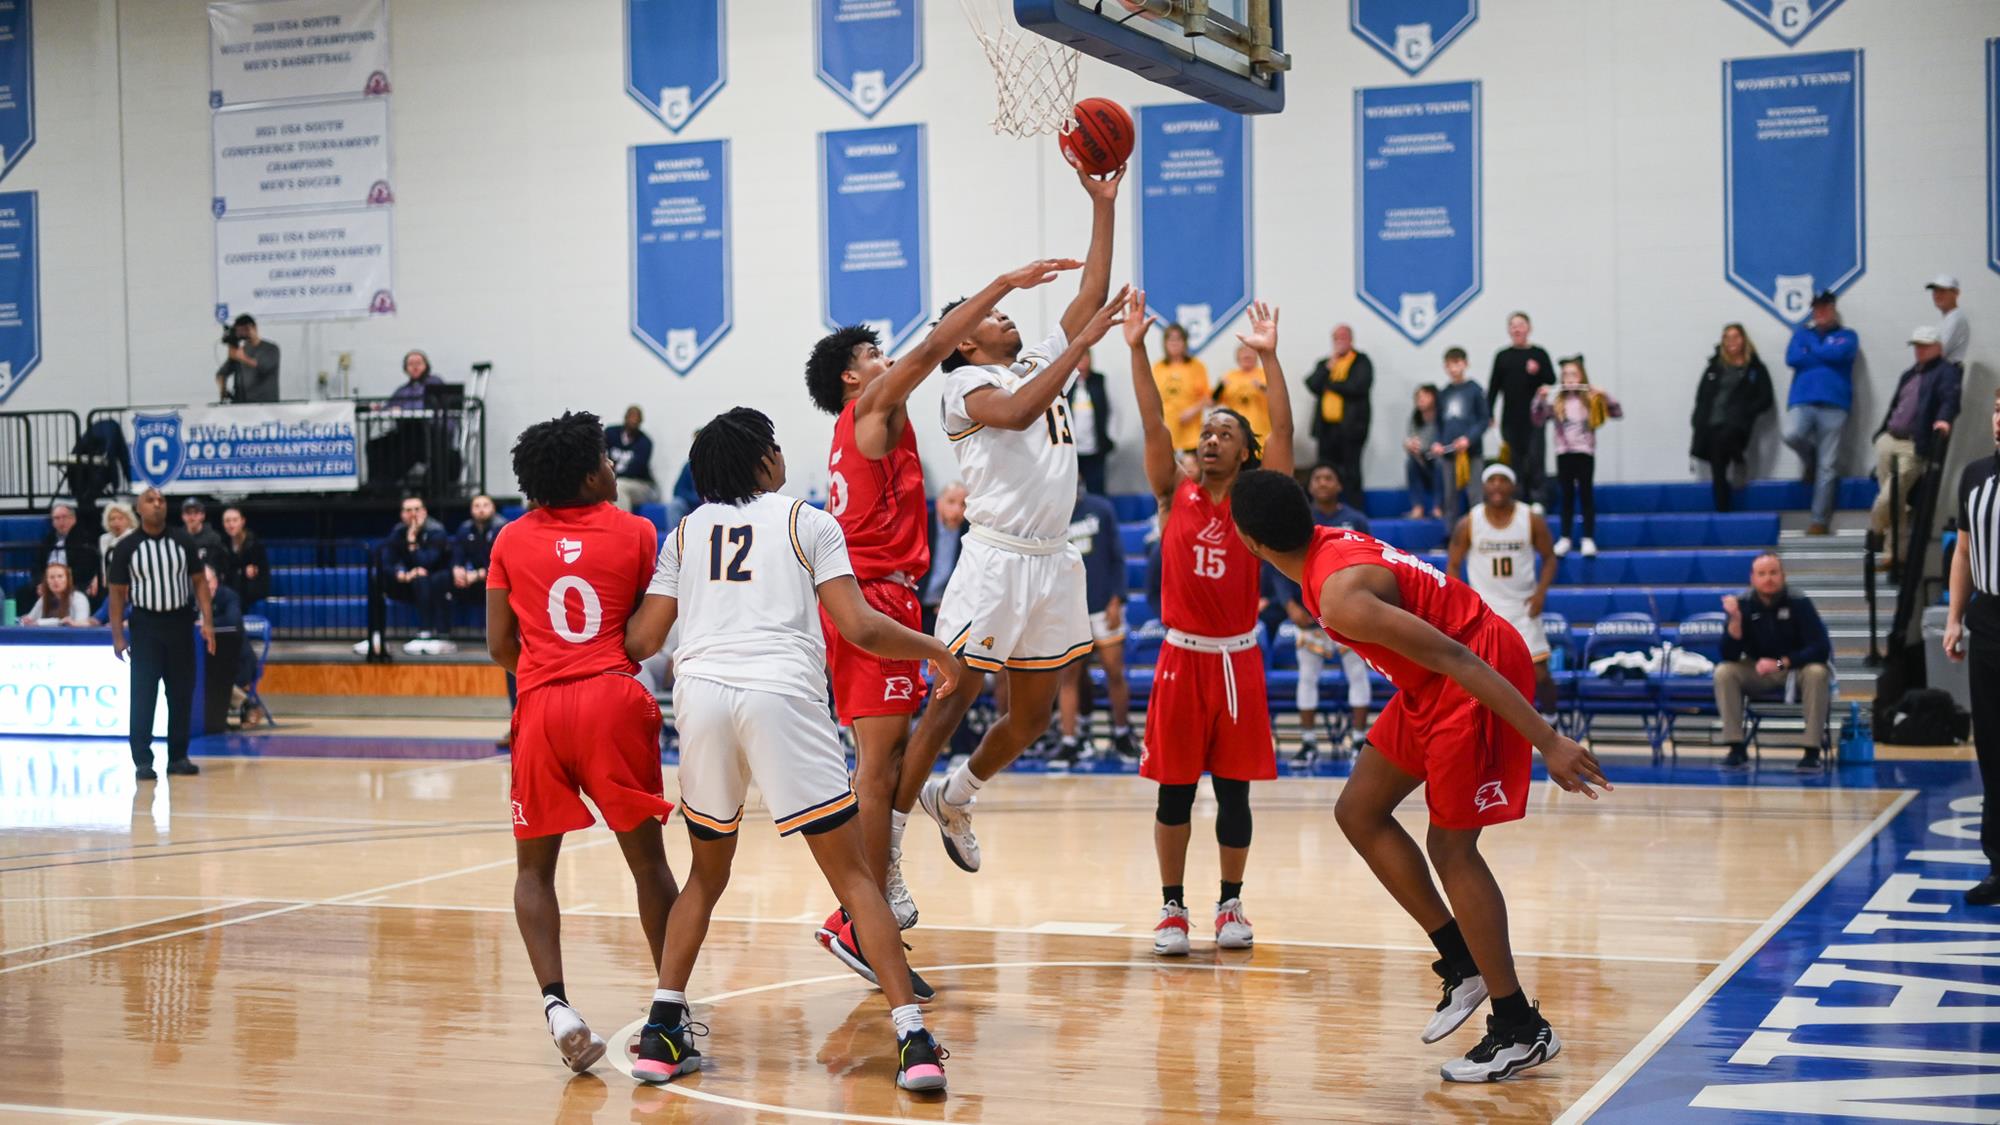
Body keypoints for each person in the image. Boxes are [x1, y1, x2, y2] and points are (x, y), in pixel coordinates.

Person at [1228, 467, 1608, 1082]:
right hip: (1431, 681)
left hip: (1472, 668)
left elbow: (1455, 655)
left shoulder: (1341, 593)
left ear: (1249, 543)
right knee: (1358, 811)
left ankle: (1519, 1027)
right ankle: (1462, 963)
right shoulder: (1325, 541)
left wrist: (1548, 740)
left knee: (1451, 848)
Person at [621, 407, 957, 1093]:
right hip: (779, 692)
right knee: (855, 878)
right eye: (774, 448)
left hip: (701, 697)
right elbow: (860, 626)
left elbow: (642, 641)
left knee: (705, 877)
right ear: (764, 461)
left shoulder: (683, 533)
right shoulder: (808, 521)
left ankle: (660, 1030)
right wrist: (935, 649)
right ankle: (913, 1040)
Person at [803, 258, 1080, 970]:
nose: (888, 357)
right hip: (869, 593)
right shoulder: (873, 406)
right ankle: (862, 912)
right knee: (877, 767)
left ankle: (871, 900)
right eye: (874, 353)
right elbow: (933, 347)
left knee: (890, 758)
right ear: (853, 377)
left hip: (888, 591)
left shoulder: (878, 420)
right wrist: (1005, 284)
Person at [897, 164, 1126, 880]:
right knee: (950, 703)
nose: (1006, 318)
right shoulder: (964, 385)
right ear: (964, 342)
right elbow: (1022, 410)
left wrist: (1103, 204)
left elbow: (1091, 294)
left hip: (1054, 559)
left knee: (1031, 716)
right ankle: (886, 851)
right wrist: (1080, 346)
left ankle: (954, 796)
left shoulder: (1034, 360)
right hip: (996, 559)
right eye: (991, 317)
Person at [482, 411, 681, 1076]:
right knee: (648, 866)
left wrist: (548, 669)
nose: (613, 465)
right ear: (590, 475)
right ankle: (670, 1014)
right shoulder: (637, 530)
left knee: (533, 872)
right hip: (611, 700)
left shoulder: (509, 538)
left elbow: (499, 645)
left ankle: (558, 1008)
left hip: (540, 706)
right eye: (604, 458)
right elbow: (647, 632)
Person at [1125, 291, 1293, 957]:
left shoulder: (1257, 505)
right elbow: (1151, 420)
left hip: (1236, 660)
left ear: (1246, 451)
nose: (1210, 439)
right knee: (1173, 792)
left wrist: (1270, 359)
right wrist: (1136, 347)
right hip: (1181, 658)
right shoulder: (1174, 492)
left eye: (1225, 433)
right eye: (1206, 433)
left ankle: (1230, 902)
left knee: (1233, 792)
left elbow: (1285, 437)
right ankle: (1172, 908)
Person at [106, 487, 217, 781]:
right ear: (139, 509)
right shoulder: (127, 547)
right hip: (146, 625)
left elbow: (199, 582)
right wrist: (118, 635)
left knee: (180, 693)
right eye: (151, 501)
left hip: (180, 622)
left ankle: (178, 757)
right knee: (143, 694)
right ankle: (143, 760)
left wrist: (207, 621)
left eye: (161, 501)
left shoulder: (183, 541)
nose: (157, 505)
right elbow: (116, 593)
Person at [1272, 464, 1372, 763]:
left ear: (1339, 485)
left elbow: (1373, 561)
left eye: (1329, 478)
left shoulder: (1356, 520)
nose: (1323, 482)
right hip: (1309, 611)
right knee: (1307, 676)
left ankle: (1358, 740)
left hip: (1349, 611)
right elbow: (1278, 563)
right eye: (1318, 478)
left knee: (1358, 674)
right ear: (1310, 486)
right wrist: (1289, 605)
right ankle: (1308, 743)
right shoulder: (1298, 519)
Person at [1942, 388, 2000, 906]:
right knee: (1992, 746)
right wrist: (1954, 618)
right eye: (1998, 409)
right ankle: (1998, 865)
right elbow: (1963, 550)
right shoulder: (1975, 475)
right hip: (1988, 619)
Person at [1447, 465, 1559, 712]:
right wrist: (1462, 602)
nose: (1497, 485)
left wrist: (1540, 593)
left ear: (1513, 486)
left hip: (1523, 607)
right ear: (1484, 486)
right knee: (1481, 678)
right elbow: (1453, 564)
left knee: (1540, 674)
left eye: (1503, 480)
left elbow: (1550, 558)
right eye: (1492, 480)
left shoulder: (1530, 518)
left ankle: (1551, 720)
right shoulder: (1469, 522)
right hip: (1485, 611)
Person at [1715, 553, 1834, 770]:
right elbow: (1728, 655)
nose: (1768, 578)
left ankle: (1812, 751)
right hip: (1758, 669)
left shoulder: (1799, 602)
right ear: (1752, 578)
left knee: (1818, 672)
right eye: (1762, 574)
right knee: (1724, 671)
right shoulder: (1742, 604)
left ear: (1783, 576)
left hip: (1795, 669)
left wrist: (1781, 663)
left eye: (1773, 573)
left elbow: (1820, 648)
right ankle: (1736, 747)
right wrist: (1735, 621)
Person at [1869, 326, 1964, 573]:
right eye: (1917, 345)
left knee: (1889, 498)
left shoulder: (1946, 372)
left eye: (1924, 345)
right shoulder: (1910, 373)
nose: (1919, 350)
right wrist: (1881, 434)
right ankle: (1893, 554)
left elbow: (1950, 400)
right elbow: (1896, 406)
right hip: (1889, 439)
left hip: (1913, 444)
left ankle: (1876, 529)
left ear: (1938, 347)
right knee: (1896, 501)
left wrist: (1944, 420)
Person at [1057, 479, 1133, 764]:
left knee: (1114, 671)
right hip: (1069, 608)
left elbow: (1117, 556)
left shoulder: (1101, 509)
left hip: (1102, 603)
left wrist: (1117, 598)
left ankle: (1122, 734)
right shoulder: (1051, 513)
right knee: (1069, 676)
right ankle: (1069, 741)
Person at [1783, 291, 1860, 535]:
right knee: (1791, 435)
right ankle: (1810, 459)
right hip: (1802, 400)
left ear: (1833, 309)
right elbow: (1792, 358)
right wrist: (1823, 350)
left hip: (1835, 404)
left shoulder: (1848, 335)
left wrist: (1812, 350)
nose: (1821, 312)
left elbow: (1839, 354)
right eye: (1817, 308)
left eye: (1825, 307)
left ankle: (1819, 520)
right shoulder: (1801, 334)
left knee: (1828, 466)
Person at [1532, 356, 1622, 557]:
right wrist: (1540, 398)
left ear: (1581, 376)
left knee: (1586, 495)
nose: (1570, 379)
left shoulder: (1590, 400)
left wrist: (1605, 395)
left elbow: (1617, 412)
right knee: (1567, 496)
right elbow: (1537, 419)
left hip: (1585, 452)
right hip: (1564, 453)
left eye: (1573, 374)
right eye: (1566, 375)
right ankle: (1565, 537)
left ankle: (1588, 538)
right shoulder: (1557, 401)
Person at [1691, 323, 1775, 512]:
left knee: (1725, 435)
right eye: (1727, 337)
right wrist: (1697, 420)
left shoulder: (1755, 369)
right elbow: (1702, 397)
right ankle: (1723, 513)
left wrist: (1747, 411)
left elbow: (1766, 398)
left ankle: (1738, 459)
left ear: (1744, 339)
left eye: (1736, 336)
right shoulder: (1714, 368)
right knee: (1718, 468)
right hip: (1713, 423)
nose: (1732, 341)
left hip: (1738, 424)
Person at [1489, 313, 1556, 509]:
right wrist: (1489, 413)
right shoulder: (1502, 356)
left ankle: (1538, 499)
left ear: (1529, 328)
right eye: (1513, 326)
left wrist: (1538, 372)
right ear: (1509, 330)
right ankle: (1516, 500)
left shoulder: (1539, 354)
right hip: (1510, 419)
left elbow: (1551, 380)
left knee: (1536, 459)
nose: (1517, 329)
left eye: (1521, 325)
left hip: (1535, 418)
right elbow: (1493, 387)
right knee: (1514, 461)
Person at [377, 495, 454, 654]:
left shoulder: (436, 530)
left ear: (424, 512)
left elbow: (427, 562)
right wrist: (402, 575)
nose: (413, 513)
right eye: (408, 510)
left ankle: (427, 631)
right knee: (375, 578)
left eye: (417, 509)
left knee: (423, 578)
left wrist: (412, 540)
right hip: (407, 581)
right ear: (402, 514)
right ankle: (376, 632)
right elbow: (387, 561)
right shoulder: (398, 531)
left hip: (436, 581)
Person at [365, 350, 450, 490]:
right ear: (405, 368)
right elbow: (390, 406)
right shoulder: (402, 390)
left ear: (426, 366)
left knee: (406, 445)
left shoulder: (435, 383)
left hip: (430, 433)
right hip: (406, 433)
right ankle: (376, 486)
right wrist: (381, 409)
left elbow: (427, 406)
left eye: (419, 363)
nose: (415, 367)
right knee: (375, 445)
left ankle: (386, 483)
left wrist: (403, 409)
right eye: (411, 364)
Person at [1304, 323, 1372, 494]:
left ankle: (1354, 508)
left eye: (1343, 337)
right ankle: (1323, 506)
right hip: (1326, 429)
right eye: (1336, 338)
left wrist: (1331, 385)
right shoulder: (1325, 363)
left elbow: (1358, 386)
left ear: (1351, 339)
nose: (1340, 341)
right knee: (1325, 470)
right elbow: (1312, 384)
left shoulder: (1361, 361)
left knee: (1351, 472)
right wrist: (1328, 368)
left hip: (1351, 428)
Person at [1434, 347, 1489, 523]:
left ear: (1465, 364)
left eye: (1457, 363)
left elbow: (1484, 420)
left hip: (1472, 453)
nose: (1453, 368)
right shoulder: (1444, 393)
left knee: (1475, 494)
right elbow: (1438, 423)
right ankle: (1451, 534)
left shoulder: (1475, 390)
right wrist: (1438, 442)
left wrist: (1469, 439)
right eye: (1449, 364)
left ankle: (1478, 532)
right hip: (1449, 454)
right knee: (1450, 497)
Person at [1152, 322, 1210, 453]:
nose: (1174, 343)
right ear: (1165, 343)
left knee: (1190, 466)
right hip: (1166, 431)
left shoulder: (1196, 366)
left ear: (1185, 342)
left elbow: (1207, 398)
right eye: (1170, 339)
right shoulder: (1158, 367)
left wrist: (1192, 411)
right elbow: (1151, 398)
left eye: (1178, 339)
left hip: (1191, 433)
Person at [921, 482, 968, 634]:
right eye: (951, 501)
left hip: (941, 607)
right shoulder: (922, 524)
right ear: (938, 502)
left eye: (963, 504)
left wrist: (950, 602)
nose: (957, 509)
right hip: (914, 599)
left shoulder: (969, 533)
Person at [1069, 355, 1117, 496]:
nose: (1081, 364)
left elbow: (1113, 411)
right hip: (1072, 451)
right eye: (1078, 359)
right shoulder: (1066, 383)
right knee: (1071, 492)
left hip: (1095, 449)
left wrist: (1111, 436)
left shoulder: (1100, 381)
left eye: (1084, 358)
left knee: (1096, 490)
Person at [35, 500, 100, 604]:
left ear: (73, 519)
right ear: (53, 522)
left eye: (64, 517)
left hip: (73, 582)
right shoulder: (48, 540)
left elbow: (85, 570)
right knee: (25, 592)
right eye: (57, 518)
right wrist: (41, 583)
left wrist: (62, 582)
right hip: (48, 582)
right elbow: (37, 566)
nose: (61, 521)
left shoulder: (84, 539)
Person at [1213, 342, 1272, 444]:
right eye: (1243, 353)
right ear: (1237, 358)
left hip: (1262, 431)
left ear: (1256, 356)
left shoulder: (1265, 374)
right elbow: (1212, 402)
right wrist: (1220, 387)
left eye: (1250, 353)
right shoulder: (1229, 376)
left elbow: (1278, 397)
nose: (1247, 355)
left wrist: (1262, 387)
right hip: (1236, 431)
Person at [453, 493, 508, 601]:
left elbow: (503, 564)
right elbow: (458, 554)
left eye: (485, 505)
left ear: (493, 508)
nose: (481, 510)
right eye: (477, 506)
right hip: (472, 574)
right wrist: (457, 569)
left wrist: (478, 575)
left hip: (496, 575)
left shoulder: (503, 528)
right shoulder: (465, 528)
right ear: (471, 510)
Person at [214, 314, 280, 403]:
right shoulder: (240, 350)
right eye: (240, 330)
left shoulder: (271, 348)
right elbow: (221, 374)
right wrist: (223, 389)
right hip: (240, 404)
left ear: (254, 328)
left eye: (245, 329)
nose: (243, 333)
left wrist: (243, 358)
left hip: (265, 404)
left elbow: (263, 367)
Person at [606, 406, 659, 513]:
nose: (633, 421)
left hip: (640, 484)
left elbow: (636, 470)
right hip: (614, 480)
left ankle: (621, 522)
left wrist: (612, 476)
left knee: (619, 486)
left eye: (637, 419)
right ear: (625, 417)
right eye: (631, 417)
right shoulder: (610, 433)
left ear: (641, 421)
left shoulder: (645, 442)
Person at [1404, 384, 1444, 519]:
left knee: (1440, 463)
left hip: (1440, 460)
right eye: (1418, 397)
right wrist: (1409, 445)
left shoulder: (1442, 417)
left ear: (1434, 397)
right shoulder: (1415, 417)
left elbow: (1445, 442)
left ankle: (1438, 507)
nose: (1420, 399)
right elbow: (1411, 438)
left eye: (1425, 396)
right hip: (1422, 459)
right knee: (1410, 463)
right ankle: (1417, 507)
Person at [220, 507, 268, 609]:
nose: (231, 524)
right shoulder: (222, 544)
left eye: (235, 520)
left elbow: (261, 572)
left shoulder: (254, 544)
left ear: (242, 521)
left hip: (250, 591)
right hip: (230, 589)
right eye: (227, 521)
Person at [21, 562, 91, 625]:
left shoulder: (79, 598)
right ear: (47, 582)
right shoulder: (43, 599)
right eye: (51, 577)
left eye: (60, 576)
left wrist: (41, 622)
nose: (56, 580)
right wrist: (25, 620)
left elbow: (82, 624)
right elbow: (29, 620)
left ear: (68, 580)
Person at [179, 499, 229, 573]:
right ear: (183, 516)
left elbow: (223, 563)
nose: (192, 517)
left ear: (202, 515)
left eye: (196, 513)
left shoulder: (213, 538)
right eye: (188, 513)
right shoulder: (178, 538)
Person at [1929, 274, 1969, 366]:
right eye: (1935, 291)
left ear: (1956, 293)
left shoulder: (1955, 319)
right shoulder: (1948, 318)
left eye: (1942, 291)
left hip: (1947, 372)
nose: (1937, 295)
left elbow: (1936, 354)